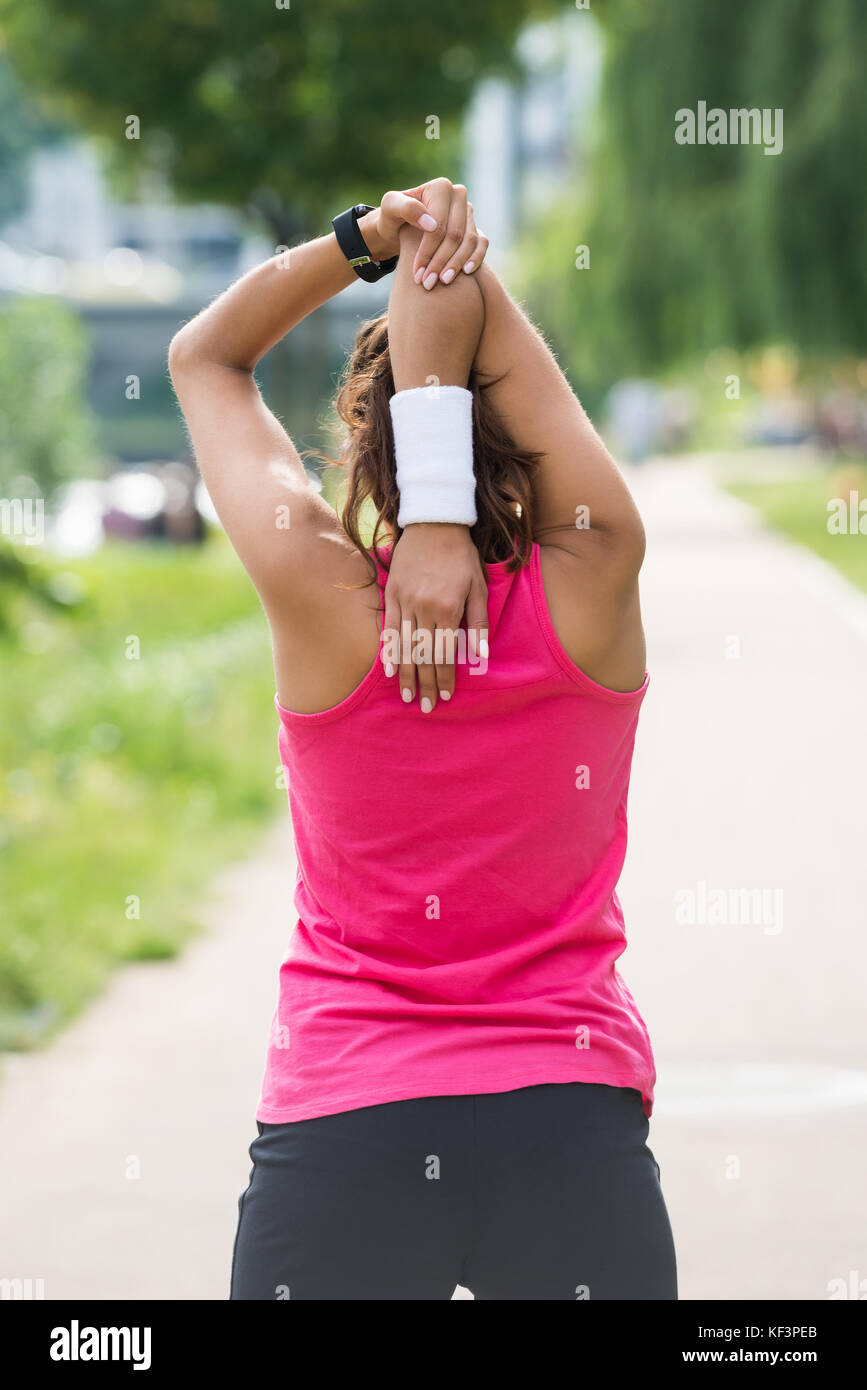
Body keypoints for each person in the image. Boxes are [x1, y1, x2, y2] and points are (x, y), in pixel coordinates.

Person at [169, 177, 677, 1301]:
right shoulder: (598, 576)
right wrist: (434, 260)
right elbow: (463, 290)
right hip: (567, 1130)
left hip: (345, 1130)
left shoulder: (316, 595)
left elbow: (206, 357)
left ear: (363, 438)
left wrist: (367, 238)